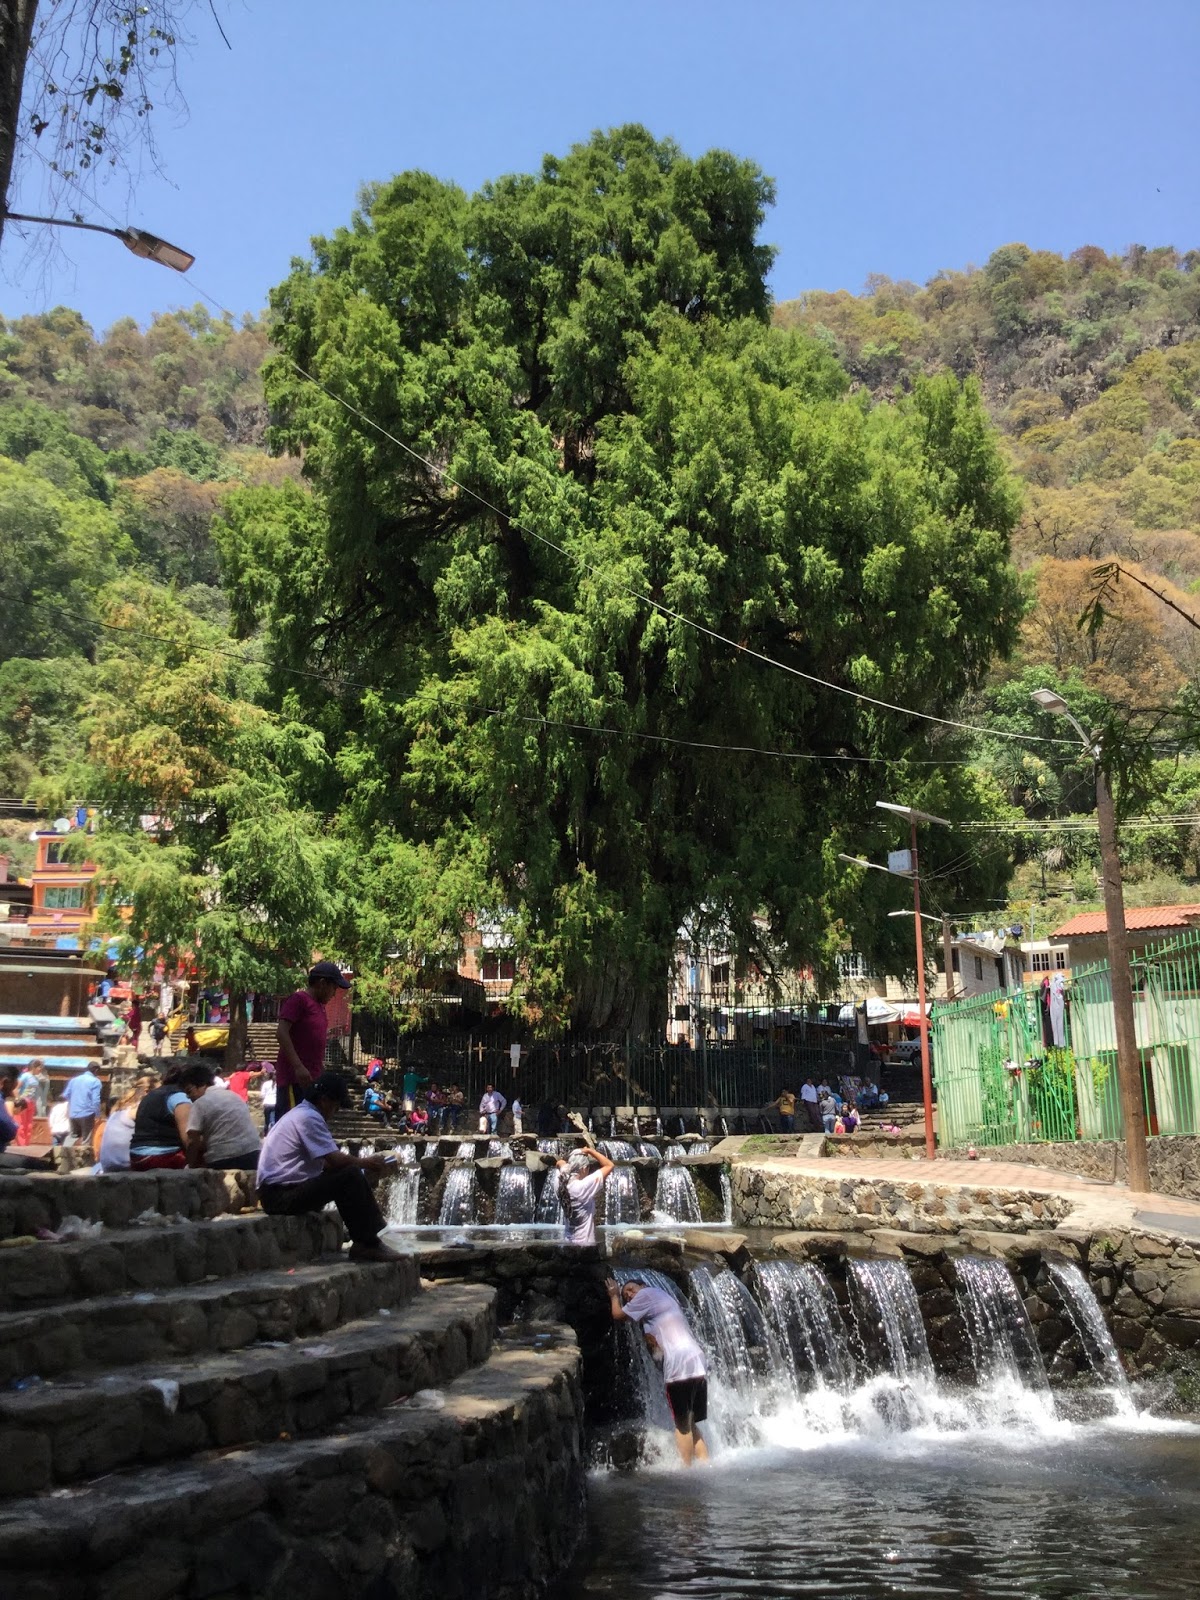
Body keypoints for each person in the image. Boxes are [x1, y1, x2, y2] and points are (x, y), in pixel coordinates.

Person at [256, 1072, 401, 1262]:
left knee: (345, 1174)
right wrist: (367, 1163)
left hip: (277, 1192)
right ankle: (367, 1243)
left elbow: (325, 1163)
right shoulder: (309, 1118)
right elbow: (335, 1160)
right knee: (350, 1174)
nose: (336, 1112)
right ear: (324, 1100)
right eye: (336, 1106)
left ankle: (371, 1236)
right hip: (279, 1196)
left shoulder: (301, 1114)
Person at [606, 1276, 709, 1467]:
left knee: (682, 1425)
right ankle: (705, 1466)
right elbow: (657, 1347)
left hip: (678, 1364)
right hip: (697, 1361)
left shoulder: (646, 1294)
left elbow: (618, 1315)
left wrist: (614, 1295)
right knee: (691, 1422)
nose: (629, 1295)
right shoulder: (661, 1298)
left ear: (643, 1286)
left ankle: (687, 1474)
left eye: (631, 1289)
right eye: (625, 1295)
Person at [275, 961, 350, 1117]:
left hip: (311, 1082)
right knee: (293, 1124)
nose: (334, 994)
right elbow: (282, 1032)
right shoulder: (299, 1000)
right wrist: (298, 1067)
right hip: (294, 1079)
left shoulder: (320, 1007)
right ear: (322, 983)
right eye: (333, 988)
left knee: (307, 1125)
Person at [181, 1065, 262, 1169]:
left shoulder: (200, 1103)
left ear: (202, 1085)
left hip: (223, 1159)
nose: (188, 1096)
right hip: (254, 1155)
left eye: (189, 1091)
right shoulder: (233, 1095)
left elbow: (193, 1141)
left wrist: (190, 1165)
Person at [129, 1066, 191, 1170]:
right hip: (161, 1156)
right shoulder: (179, 1097)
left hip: (136, 1156)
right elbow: (188, 1139)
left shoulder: (151, 1095)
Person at [554, 1146, 614, 1245]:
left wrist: (567, 1166)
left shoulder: (559, 1183)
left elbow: (559, 1162)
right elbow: (609, 1165)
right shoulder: (583, 1186)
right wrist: (590, 1151)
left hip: (567, 1244)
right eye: (588, 1168)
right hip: (586, 1245)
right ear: (584, 1169)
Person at [97, 1074, 153, 1172]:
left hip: (107, 1165)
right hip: (123, 1165)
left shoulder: (119, 1107)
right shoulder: (139, 1108)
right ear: (146, 1091)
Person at [62, 1063, 103, 1157]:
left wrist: (73, 1105)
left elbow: (66, 1095)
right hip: (87, 1113)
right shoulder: (95, 1081)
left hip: (73, 1113)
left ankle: (63, 1155)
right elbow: (96, 1100)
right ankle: (84, 1160)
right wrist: (97, 1114)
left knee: (72, 1136)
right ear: (96, 1070)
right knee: (86, 1139)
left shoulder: (74, 1080)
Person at [14, 1060, 42, 1145]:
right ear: (33, 1067)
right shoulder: (25, 1076)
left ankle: (26, 1143)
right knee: (21, 1123)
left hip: (31, 1102)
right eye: (39, 1067)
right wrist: (18, 1100)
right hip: (24, 1101)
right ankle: (21, 1143)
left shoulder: (35, 1078)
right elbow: (16, 1088)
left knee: (29, 1124)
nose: (40, 1069)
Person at [260, 1067, 278, 1133]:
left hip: (267, 1103)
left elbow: (262, 1095)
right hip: (275, 1103)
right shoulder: (278, 1084)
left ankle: (266, 1133)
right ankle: (273, 1132)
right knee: (273, 1119)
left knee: (266, 1120)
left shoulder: (265, 1084)